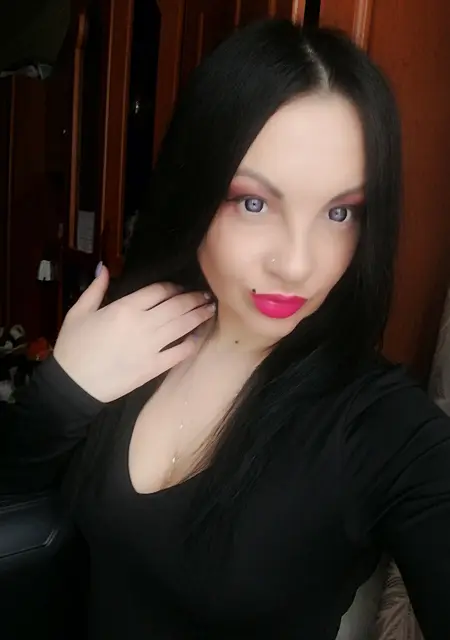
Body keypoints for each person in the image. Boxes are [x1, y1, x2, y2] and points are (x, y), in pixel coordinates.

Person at [1, 18, 450, 639]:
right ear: (196, 186)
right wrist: (62, 393)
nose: (297, 264)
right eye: (254, 202)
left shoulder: (382, 428)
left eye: (340, 212)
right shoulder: (130, 338)